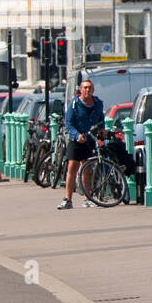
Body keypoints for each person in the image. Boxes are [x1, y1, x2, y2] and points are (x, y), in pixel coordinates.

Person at [60, 79, 104, 211]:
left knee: (87, 168)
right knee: (72, 168)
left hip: (90, 139)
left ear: (93, 89)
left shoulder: (98, 104)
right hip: (76, 141)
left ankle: (87, 198)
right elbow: (68, 124)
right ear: (80, 90)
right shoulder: (74, 104)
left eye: (90, 87)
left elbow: (100, 120)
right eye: (85, 87)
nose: (87, 90)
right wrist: (76, 135)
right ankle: (67, 199)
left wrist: (102, 133)